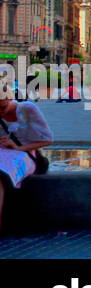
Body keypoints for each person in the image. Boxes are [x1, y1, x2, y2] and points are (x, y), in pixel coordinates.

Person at [0, 92, 52, 232]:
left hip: (26, 156)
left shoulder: (27, 109)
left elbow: (47, 140)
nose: (0, 111)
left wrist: (18, 147)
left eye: (2, 107)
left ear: (10, 98)